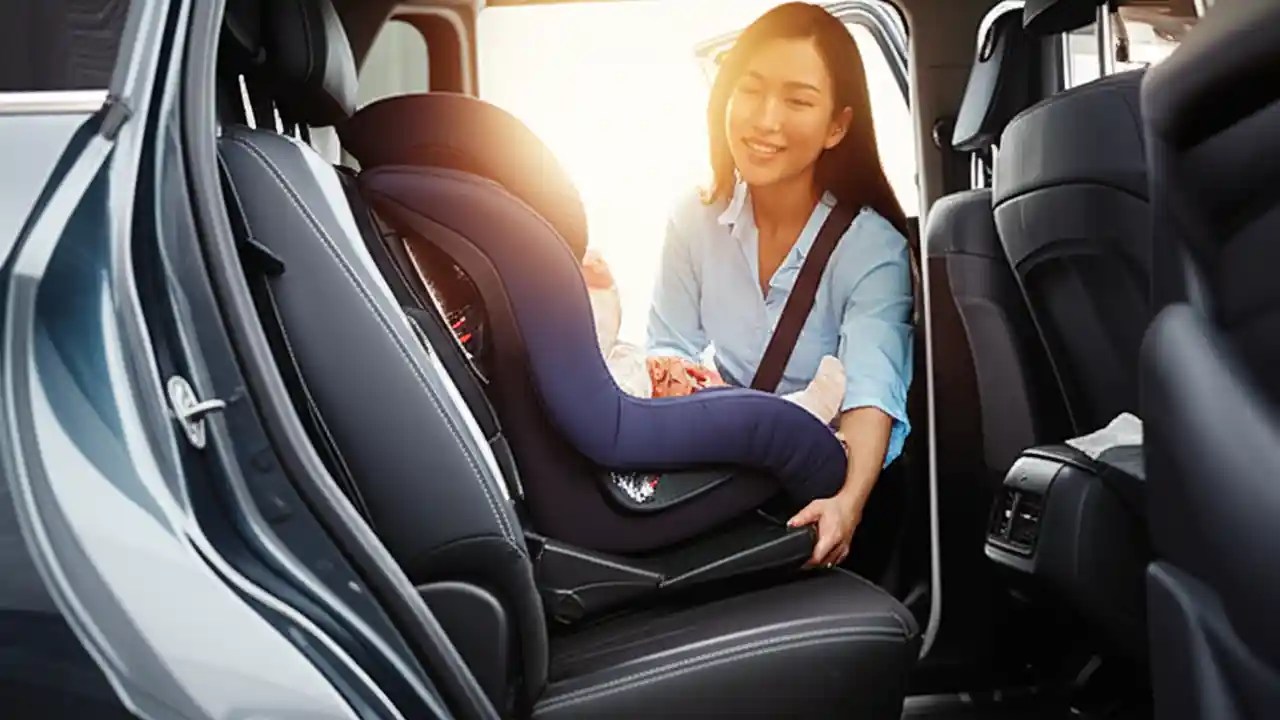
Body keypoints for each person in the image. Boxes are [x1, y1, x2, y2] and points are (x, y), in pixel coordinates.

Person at [645, 2, 914, 570]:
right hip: (728, 473)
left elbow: (872, 392)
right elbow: (668, 346)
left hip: (817, 487)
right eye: (751, 89)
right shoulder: (693, 218)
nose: (766, 120)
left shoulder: (872, 248)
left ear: (837, 125)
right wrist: (680, 387)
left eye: (798, 100)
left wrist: (847, 504)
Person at [581, 247, 848, 423]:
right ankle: (801, 414)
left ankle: (798, 414)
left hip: (668, 383)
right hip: (659, 402)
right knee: (737, 419)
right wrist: (600, 290)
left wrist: (599, 289)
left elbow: (595, 339)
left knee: (736, 408)